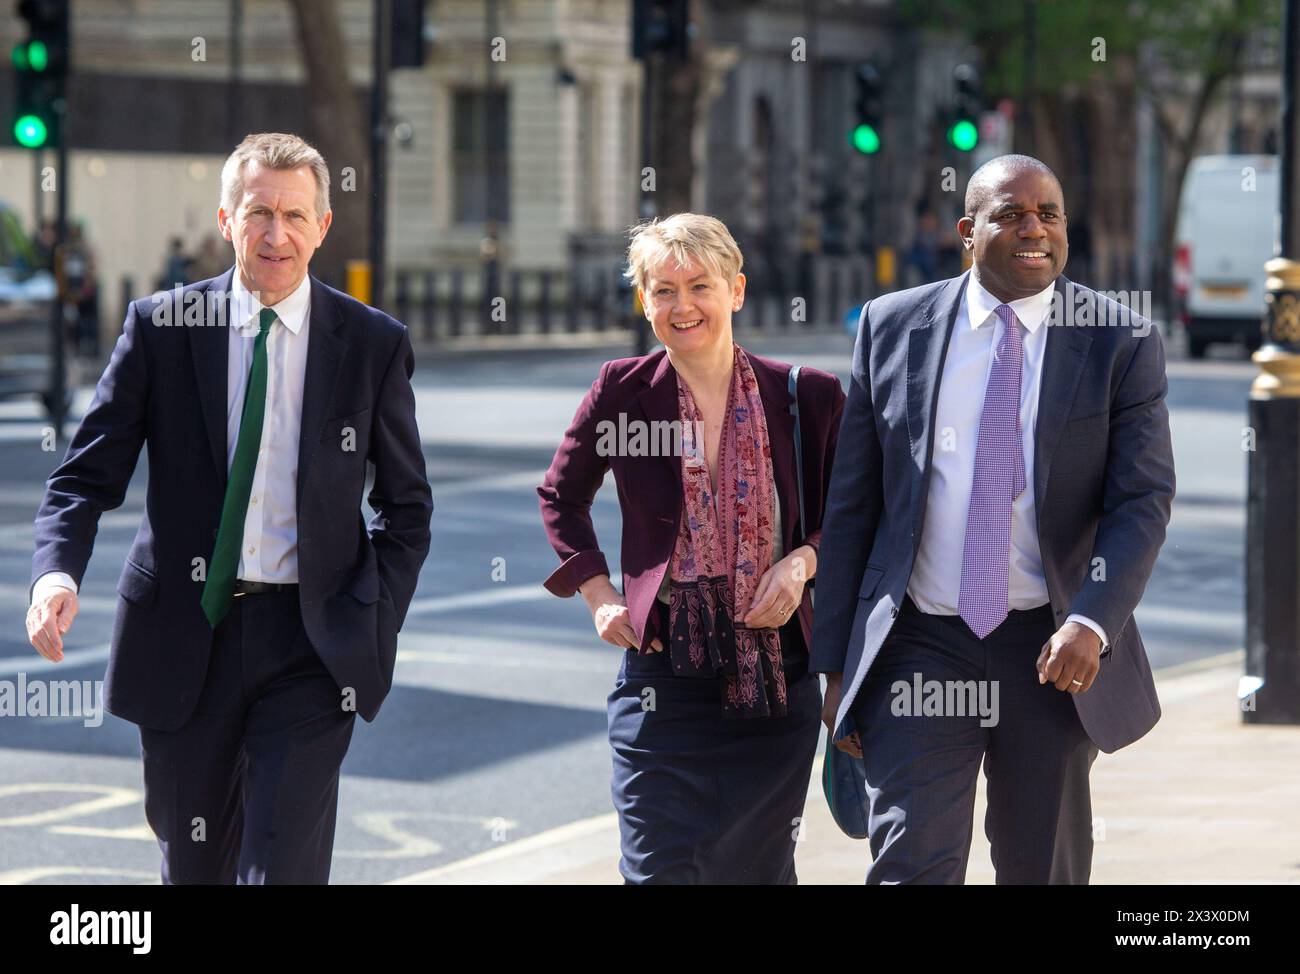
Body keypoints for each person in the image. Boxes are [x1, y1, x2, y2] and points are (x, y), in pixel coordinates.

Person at [26, 132, 434, 884]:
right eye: (257, 213)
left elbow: (406, 508)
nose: (275, 234)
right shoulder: (161, 329)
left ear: (322, 226)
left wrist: (372, 612)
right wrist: (55, 575)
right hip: (186, 636)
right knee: (196, 868)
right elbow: (83, 478)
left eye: (294, 215)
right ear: (225, 219)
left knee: (280, 867)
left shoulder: (372, 345)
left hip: (310, 650)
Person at [810, 154, 1175, 884]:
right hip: (921, 643)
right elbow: (853, 504)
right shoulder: (893, 326)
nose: (1034, 229)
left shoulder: (1120, 341)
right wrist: (836, 664)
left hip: (1051, 652)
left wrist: (1093, 623)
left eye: (1049, 214)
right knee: (912, 858)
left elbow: (1142, 499)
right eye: (1011, 214)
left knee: (1040, 867)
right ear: (967, 231)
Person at [538, 213, 846, 884]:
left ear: (736, 290)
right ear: (643, 301)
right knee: (658, 869)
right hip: (660, 679)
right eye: (663, 289)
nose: (683, 306)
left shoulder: (807, 398)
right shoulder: (623, 391)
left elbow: (850, 518)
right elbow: (561, 496)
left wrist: (802, 562)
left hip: (774, 678)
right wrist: (597, 595)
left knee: (755, 873)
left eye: (700, 286)